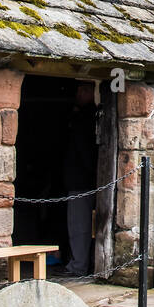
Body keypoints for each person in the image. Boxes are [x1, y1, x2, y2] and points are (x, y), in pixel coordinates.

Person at [63, 82, 97, 277]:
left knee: (79, 227)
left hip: (81, 181)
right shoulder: (88, 116)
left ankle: (79, 266)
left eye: (80, 90)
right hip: (86, 179)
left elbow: (83, 151)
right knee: (82, 227)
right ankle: (81, 264)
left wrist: (91, 173)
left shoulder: (83, 118)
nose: (77, 94)